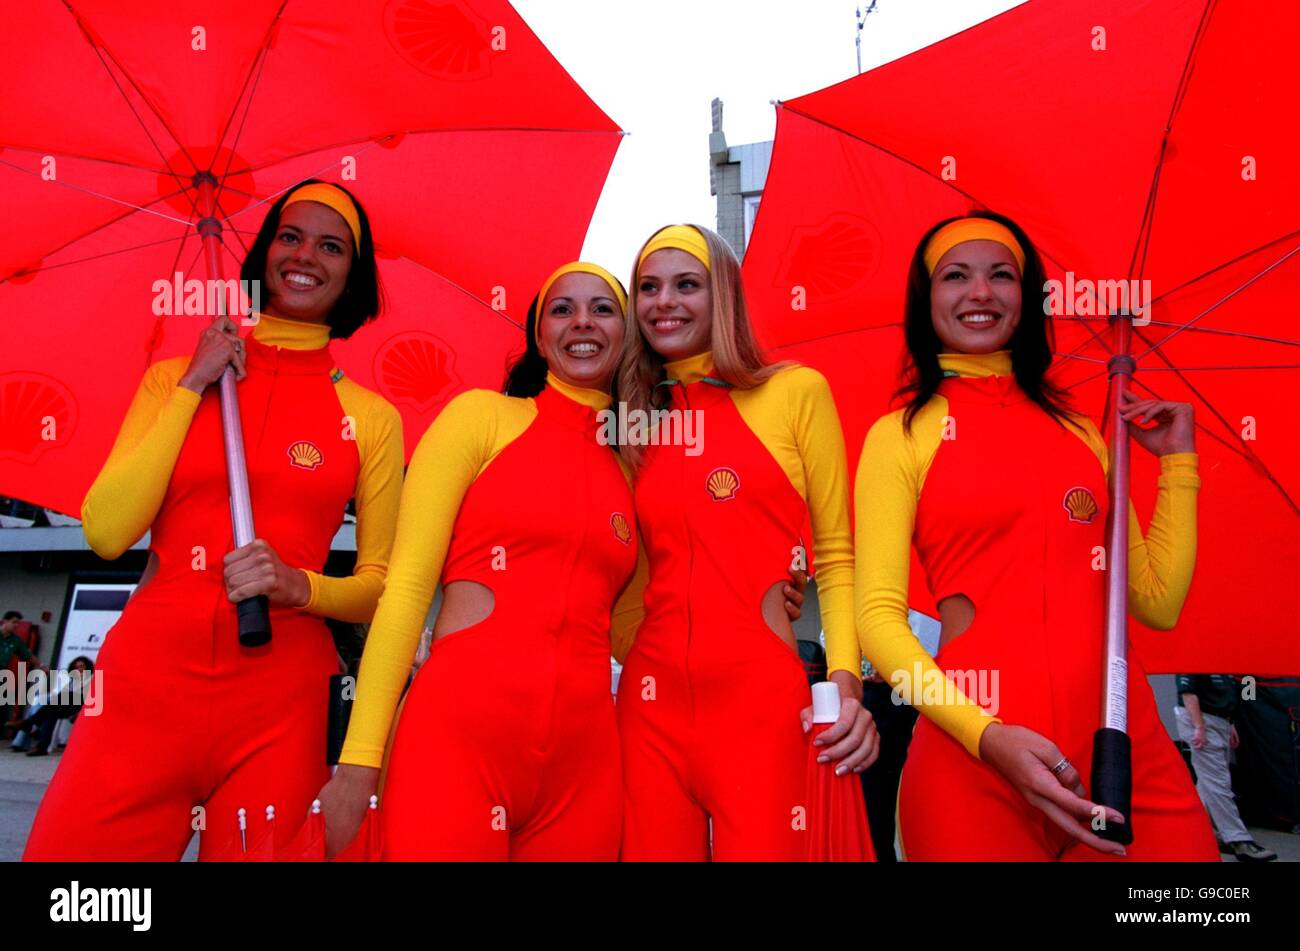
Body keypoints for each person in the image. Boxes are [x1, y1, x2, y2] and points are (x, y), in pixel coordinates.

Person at [24, 180, 404, 861]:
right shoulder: (178, 376)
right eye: (290, 236)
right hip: (145, 688)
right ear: (264, 254)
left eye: (331, 245)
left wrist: (300, 586)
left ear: (353, 272)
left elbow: (380, 586)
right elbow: (109, 530)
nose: (305, 255)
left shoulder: (373, 418)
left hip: (280, 701)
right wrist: (192, 385)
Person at [855, 211, 1218, 861]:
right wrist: (988, 736)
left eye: (1002, 275)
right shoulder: (900, 435)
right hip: (975, 765)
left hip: (1123, 755)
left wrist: (1178, 461)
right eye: (955, 276)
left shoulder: (1082, 432)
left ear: (1028, 296)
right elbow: (877, 619)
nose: (981, 293)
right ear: (926, 297)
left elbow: (1157, 598)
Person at [319, 263, 642, 860]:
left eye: (603, 308)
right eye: (562, 309)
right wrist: (359, 762)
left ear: (627, 334)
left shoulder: (631, 470)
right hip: (458, 743)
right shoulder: (480, 418)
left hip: (586, 764)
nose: (582, 323)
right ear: (539, 334)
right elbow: (407, 589)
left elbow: (636, 631)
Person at [616, 224, 879, 861]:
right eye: (648, 288)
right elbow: (627, 578)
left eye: (687, 285)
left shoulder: (794, 392)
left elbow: (838, 557)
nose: (663, 302)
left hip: (763, 708)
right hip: (648, 710)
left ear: (724, 296)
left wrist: (846, 685)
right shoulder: (631, 420)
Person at [1175, 673, 1277, 861]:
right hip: (1204, 720)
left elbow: (1229, 694)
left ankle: (1202, 833)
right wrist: (1199, 726)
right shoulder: (1195, 656)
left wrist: (1229, 723)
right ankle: (1239, 840)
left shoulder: (1223, 663)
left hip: (1218, 720)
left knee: (1209, 783)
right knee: (1218, 782)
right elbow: (1187, 692)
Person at [17, 657, 95, 757]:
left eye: (81, 667)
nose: (79, 669)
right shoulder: (72, 681)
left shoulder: (91, 680)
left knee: (56, 704)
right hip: (66, 708)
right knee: (51, 711)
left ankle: (30, 725)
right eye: (76, 667)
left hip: (81, 709)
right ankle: (41, 746)